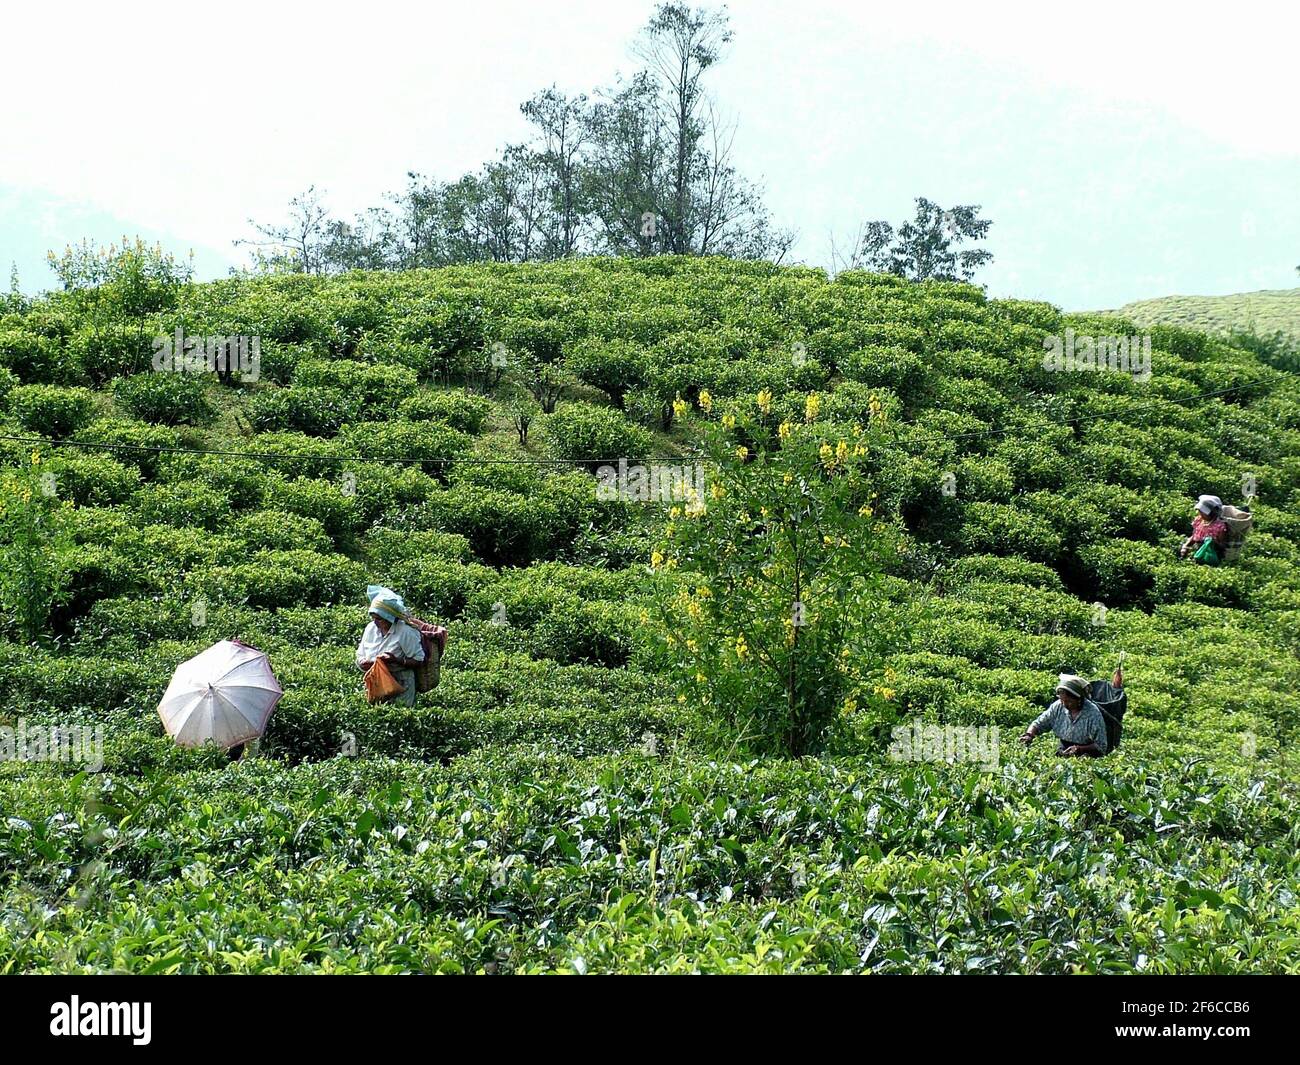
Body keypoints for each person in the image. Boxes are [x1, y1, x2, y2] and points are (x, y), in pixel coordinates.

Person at [355, 585, 425, 706]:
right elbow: (361, 652)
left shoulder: (405, 632)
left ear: (390, 618)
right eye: (373, 618)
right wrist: (363, 662)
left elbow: (418, 659)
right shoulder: (371, 628)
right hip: (375, 681)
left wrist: (395, 660)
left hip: (401, 682)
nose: (375, 622)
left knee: (400, 715)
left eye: (379, 619)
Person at [1019, 674, 1109, 757]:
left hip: (1087, 753)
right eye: (1062, 700)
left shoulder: (1092, 713)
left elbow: (1101, 745)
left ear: (1078, 699)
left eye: (1069, 701)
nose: (1065, 704)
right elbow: (1039, 723)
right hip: (1063, 748)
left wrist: (1080, 749)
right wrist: (1029, 735)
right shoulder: (1058, 706)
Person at [1179, 495, 1229, 564]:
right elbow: (1194, 536)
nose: (1201, 514)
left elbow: (1222, 545)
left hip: (1211, 554)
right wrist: (1186, 546)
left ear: (1213, 513)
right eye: (1200, 511)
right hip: (1197, 550)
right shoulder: (1199, 520)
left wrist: (1211, 542)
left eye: (1204, 512)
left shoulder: (1219, 526)